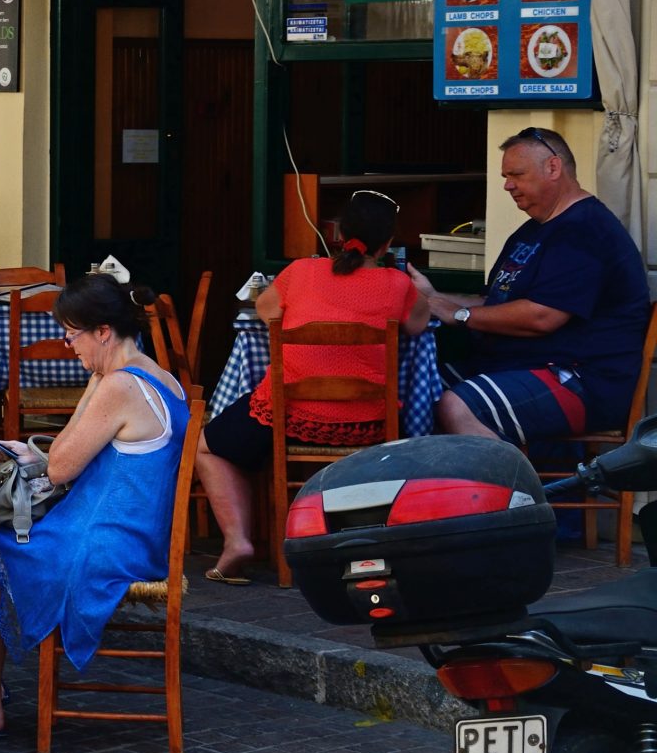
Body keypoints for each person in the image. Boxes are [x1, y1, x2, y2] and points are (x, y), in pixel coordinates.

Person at [0, 274, 190, 740]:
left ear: (103, 331)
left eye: (72, 333)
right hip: (138, 538)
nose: (68, 345)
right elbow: (90, 459)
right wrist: (42, 454)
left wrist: (92, 387)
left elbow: (62, 467)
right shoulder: (161, 377)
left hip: (103, 545)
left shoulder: (119, 385)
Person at [195, 190, 428, 583]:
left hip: (290, 415)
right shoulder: (397, 284)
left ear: (338, 234)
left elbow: (266, 312)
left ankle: (239, 540)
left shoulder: (301, 271)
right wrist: (419, 285)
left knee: (206, 445)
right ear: (389, 244)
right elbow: (417, 326)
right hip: (368, 422)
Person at [414, 126, 651, 443]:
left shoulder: (586, 229)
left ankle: (511, 491)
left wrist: (459, 315)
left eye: (517, 174)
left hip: (579, 379)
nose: (508, 185)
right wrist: (433, 297)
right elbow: (498, 305)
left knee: (455, 406)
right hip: (520, 366)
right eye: (505, 177)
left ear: (553, 167)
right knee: (418, 388)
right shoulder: (532, 231)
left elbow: (542, 316)